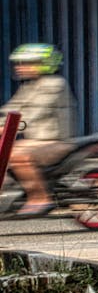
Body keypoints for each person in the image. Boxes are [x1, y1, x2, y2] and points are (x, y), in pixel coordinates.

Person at [0, 43, 76, 217]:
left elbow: (35, 112)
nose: (20, 67)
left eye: (27, 63)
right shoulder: (29, 86)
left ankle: (40, 198)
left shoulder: (55, 84)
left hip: (55, 142)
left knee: (19, 156)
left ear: (44, 63)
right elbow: (11, 109)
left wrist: (7, 127)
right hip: (33, 141)